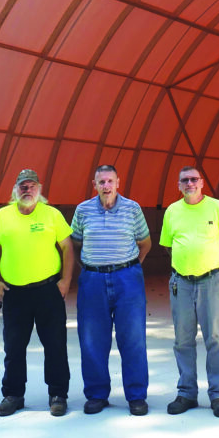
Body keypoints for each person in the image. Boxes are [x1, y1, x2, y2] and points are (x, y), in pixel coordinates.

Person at [0, 168, 73, 417]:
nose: (27, 189)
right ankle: (13, 394)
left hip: (48, 291)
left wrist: (65, 281)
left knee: (55, 345)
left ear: (39, 189)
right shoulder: (2, 216)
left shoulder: (52, 215)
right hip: (15, 293)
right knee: (13, 346)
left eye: (31, 185)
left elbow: (67, 248)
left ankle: (58, 394)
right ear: (15, 190)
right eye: (22, 185)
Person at [159, 165, 219, 418]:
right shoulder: (172, 211)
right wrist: (185, 267)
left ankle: (218, 395)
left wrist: (215, 267)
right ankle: (186, 393)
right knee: (182, 341)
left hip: (211, 283)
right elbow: (168, 246)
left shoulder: (217, 208)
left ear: (202, 182)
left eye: (194, 179)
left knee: (214, 339)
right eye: (184, 180)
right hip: (181, 284)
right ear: (178, 185)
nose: (189, 183)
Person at [70, 164, 152, 415]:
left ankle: (136, 396)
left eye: (110, 181)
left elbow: (144, 243)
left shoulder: (133, 208)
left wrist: (129, 267)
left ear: (118, 183)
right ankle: (96, 394)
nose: (106, 186)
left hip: (127, 278)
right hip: (93, 280)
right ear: (94, 184)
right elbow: (75, 243)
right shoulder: (82, 210)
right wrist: (91, 266)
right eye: (101, 182)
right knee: (92, 339)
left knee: (133, 338)